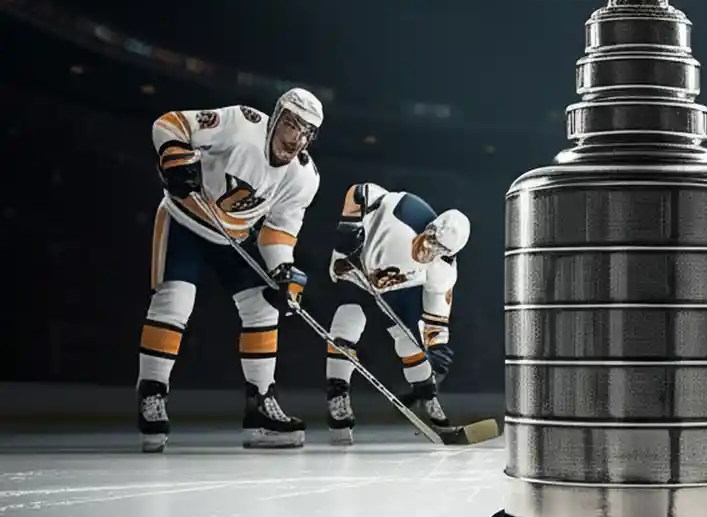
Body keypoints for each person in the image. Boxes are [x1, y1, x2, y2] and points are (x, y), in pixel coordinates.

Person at [138, 88, 322, 452]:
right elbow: (170, 123)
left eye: (305, 132)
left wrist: (283, 270)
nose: (295, 138)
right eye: (290, 125)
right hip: (184, 220)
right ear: (276, 117)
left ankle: (260, 407)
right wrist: (174, 155)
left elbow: (278, 232)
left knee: (264, 308)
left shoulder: (304, 178)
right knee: (176, 301)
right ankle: (152, 393)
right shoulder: (241, 123)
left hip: (234, 237)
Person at [323, 182, 470, 445]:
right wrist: (350, 227)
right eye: (432, 240)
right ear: (430, 227)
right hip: (354, 270)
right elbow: (360, 192)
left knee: (408, 339)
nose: (430, 250)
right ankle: (338, 394)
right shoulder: (408, 209)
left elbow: (436, 318)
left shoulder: (443, 269)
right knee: (347, 323)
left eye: (440, 250)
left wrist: (437, 349)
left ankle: (428, 398)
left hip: (393, 286)